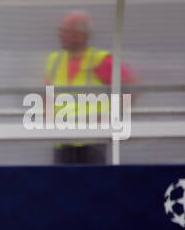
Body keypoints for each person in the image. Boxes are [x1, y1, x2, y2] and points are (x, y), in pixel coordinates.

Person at [45, 11, 136, 165]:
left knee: (93, 186)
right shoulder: (55, 60)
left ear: (80, 36)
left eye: (65, 31)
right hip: (62, 139)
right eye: (60, 31)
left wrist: (113, 115)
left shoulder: (100, 60)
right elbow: (46, 95)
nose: (60, 35)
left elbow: (131, 88)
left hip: (92, 141)